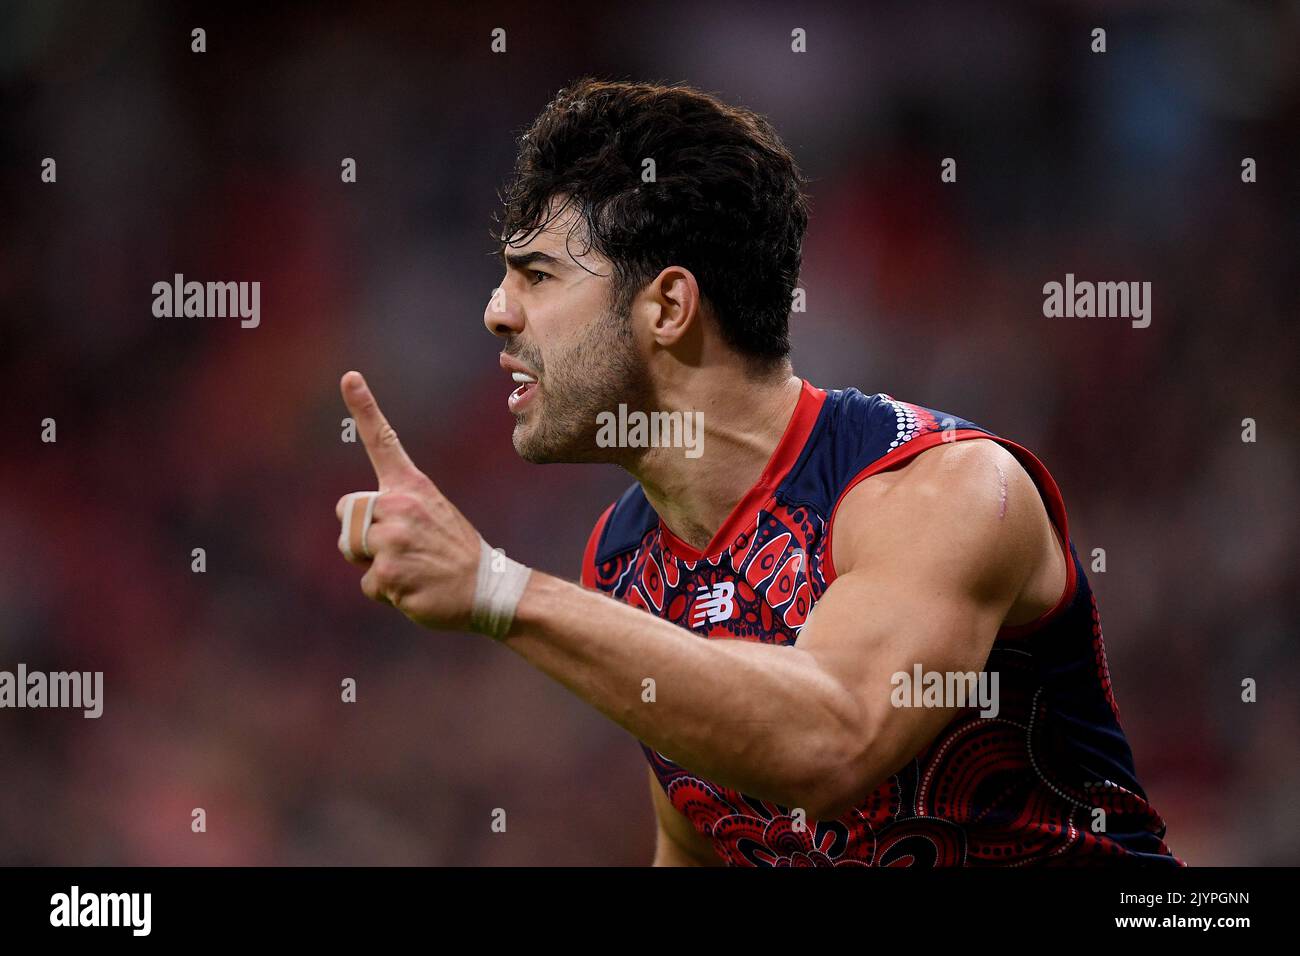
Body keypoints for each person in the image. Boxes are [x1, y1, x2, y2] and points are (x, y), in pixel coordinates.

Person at [335, 78, 1182, 867]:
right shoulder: (626, 555)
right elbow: (709, 844)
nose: (495, 311)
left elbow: (833, 739)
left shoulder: (943, 490)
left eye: (538, 275)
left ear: (667, 306)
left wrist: (497, 589)